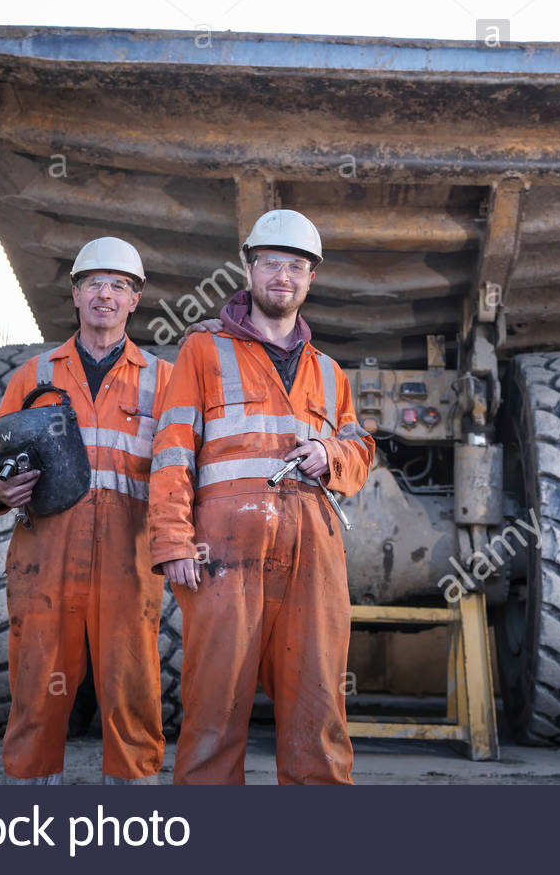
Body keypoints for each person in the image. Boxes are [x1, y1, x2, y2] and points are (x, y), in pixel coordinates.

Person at [148, 209, 375, 784]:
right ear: (249, 268)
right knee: (214, 707)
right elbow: (173, 450)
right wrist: (173, 540)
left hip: (314, 557)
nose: (284, 276)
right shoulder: (202, 350)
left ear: (310, 279)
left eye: (297, 266)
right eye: (272, 262)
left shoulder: (329, 372)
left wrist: (332, 456)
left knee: (319, 707)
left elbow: (359, 449)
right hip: (224, 556)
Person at [0, 237, 171, 784]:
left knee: (131, 693)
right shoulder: (34, 375)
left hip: (128, 561)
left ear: (136, 300)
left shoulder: (162, 380)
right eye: (94, 284)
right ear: (75, 294)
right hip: (46, 558)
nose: (105, 295)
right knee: (37, 689)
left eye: (120, 286)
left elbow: (182, 468)